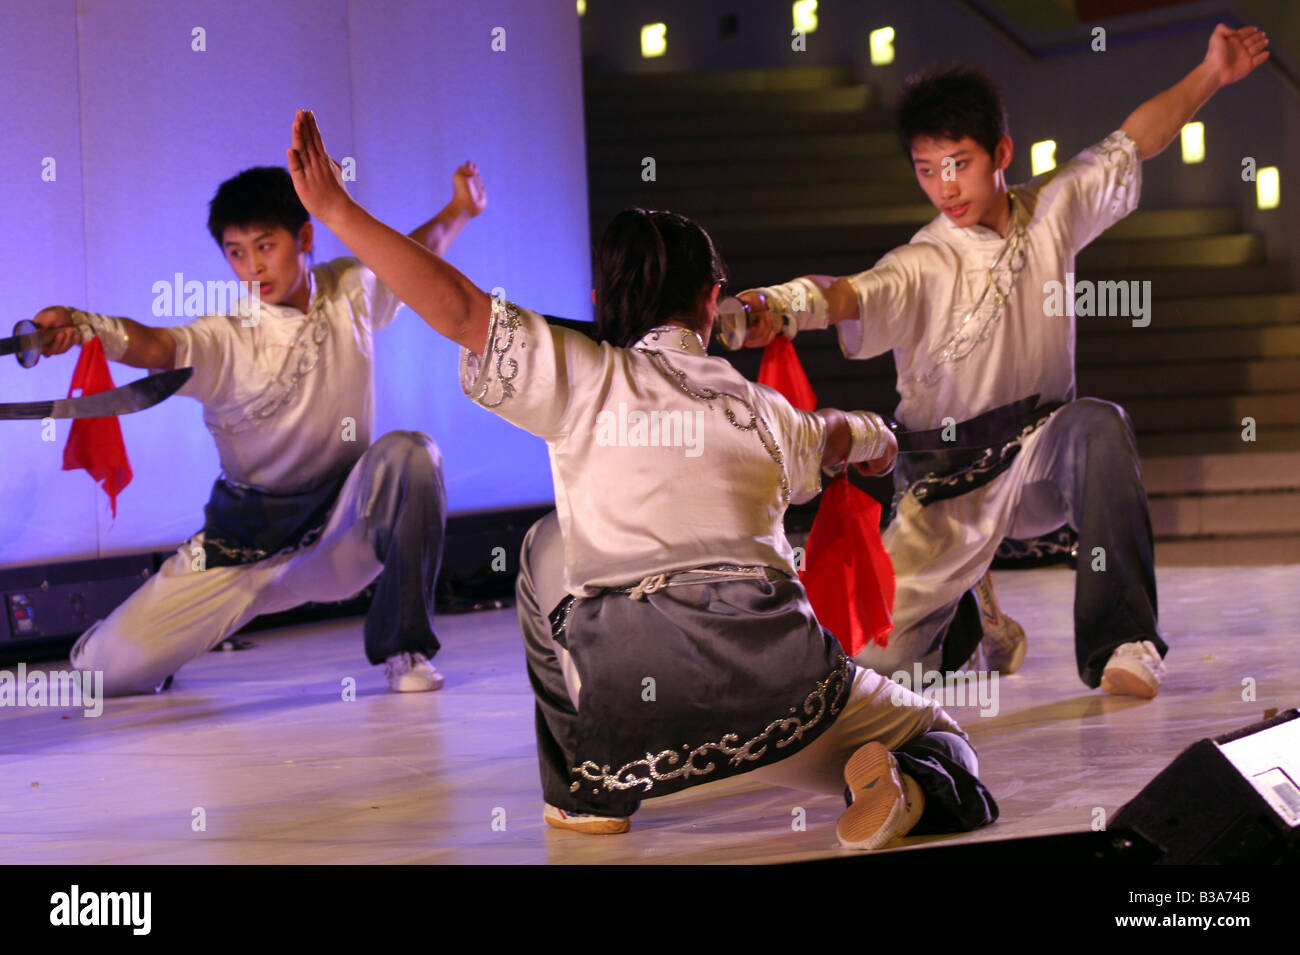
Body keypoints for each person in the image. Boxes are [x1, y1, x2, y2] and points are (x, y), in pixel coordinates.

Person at [285, 108, 999, 847]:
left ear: (603, 305)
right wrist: (879, 439)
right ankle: (884, 775)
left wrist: (335, 208)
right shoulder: (762, 408)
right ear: (708, 298)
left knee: (543, 549)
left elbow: (460, 308)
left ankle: (586, 791)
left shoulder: (582, 374)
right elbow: (837, 435)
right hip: (788, 702)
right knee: (942, 735)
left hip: (638, 723)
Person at [738, 24, 1271, 699]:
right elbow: (847, 292)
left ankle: (1122, 638)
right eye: (927, 169)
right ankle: (975, 617)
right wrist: (782, 304)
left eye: (959, 162)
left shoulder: (1052, 209)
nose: (945, 186)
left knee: (1101, 422)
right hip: (944, 484)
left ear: (1001, 154)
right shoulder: (921, 261)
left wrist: (1212, 73)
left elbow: (1136, 139)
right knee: (876, 678)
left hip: (1042, 457)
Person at [34, 161, 488, 696]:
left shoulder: (351, 290)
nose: (253, 266)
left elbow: (416, 256)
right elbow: (157, 345)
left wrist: (461, 208)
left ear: (305, 237)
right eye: (236, 252)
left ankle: (404, 648)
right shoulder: (225, 339)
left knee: (413, 453)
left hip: (342, 533)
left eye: (265, 245)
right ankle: (155, 641)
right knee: (102, 675)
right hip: (241, 544)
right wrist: (84, 326)